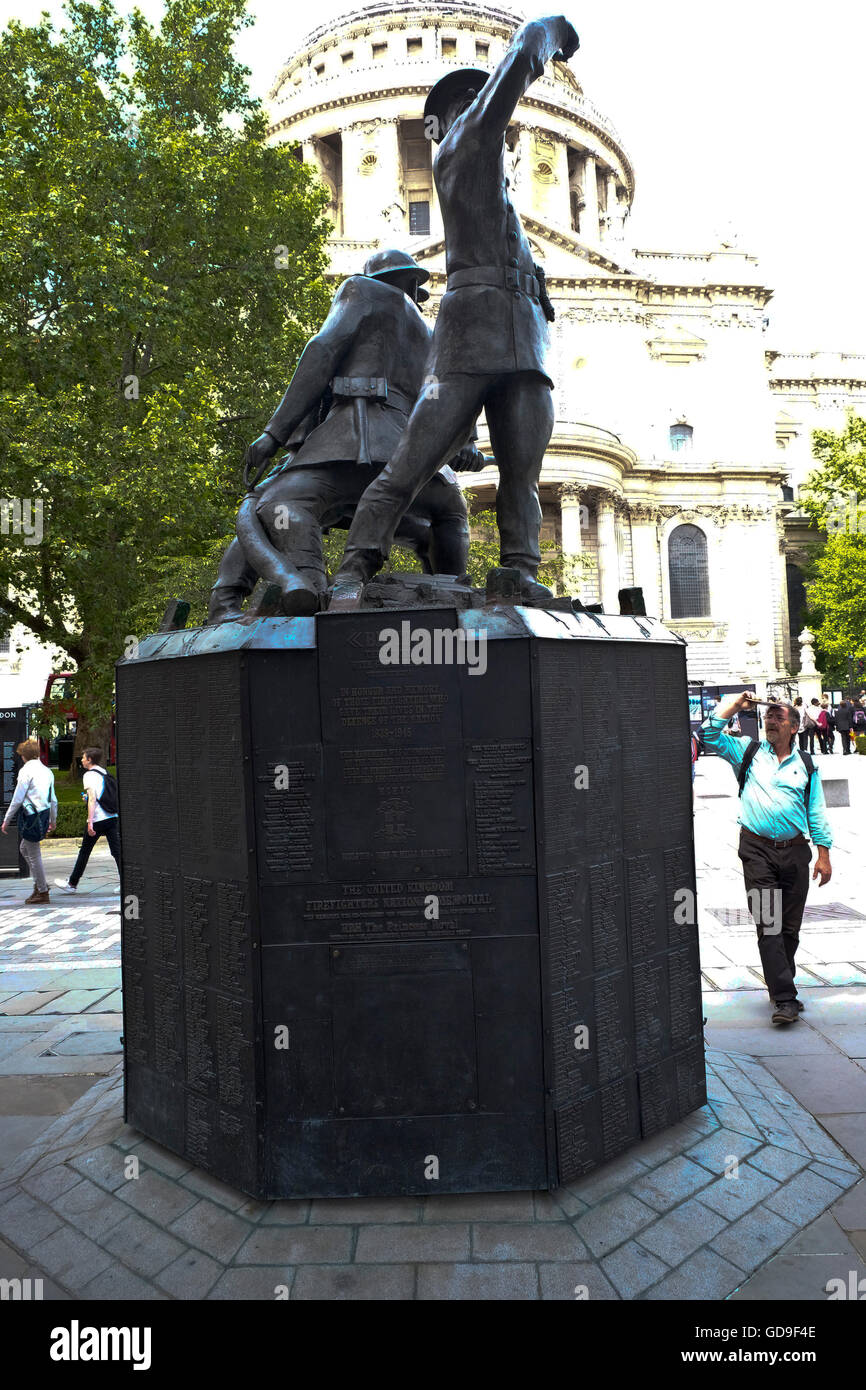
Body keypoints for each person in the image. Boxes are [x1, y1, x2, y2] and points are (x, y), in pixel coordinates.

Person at [330, 14, 581, 608]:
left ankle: (519, 571)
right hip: (470, 335)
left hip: (521, 340)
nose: (479, 106)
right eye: (465, 101)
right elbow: (514, 69)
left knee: (522, 473)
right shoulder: (461, 149)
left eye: (477, 95)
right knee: (412, 461)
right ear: (438, 127)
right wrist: (542, 35)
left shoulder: (505, 208)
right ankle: (353, 570)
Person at [220, 249, 475, 620]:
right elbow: (456, 399)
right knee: (448, 514)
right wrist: (465, 446)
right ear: (411, 282)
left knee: (275, 506)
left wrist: (273, 435)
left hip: (357, 446)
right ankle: (453, 594)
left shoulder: (362, 290)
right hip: (416, 466)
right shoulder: (437, 339)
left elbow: (321, 351)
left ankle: (301, 593)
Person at [702, 693, 832, 1026]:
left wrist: (823, 853)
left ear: (793, 727)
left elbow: (815, 810)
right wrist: (735, 706)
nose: (770, 721)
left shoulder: (805, 764)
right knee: (769, 923)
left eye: (778, 717)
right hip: (756, 850)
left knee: (789, 927)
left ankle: (778, 985)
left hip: (795, 851)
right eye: (768, 716)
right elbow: (708, 733)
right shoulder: (746, 751)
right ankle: (786, 999)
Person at [1, 738, 57, 904]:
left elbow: (17, 799)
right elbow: (53, 799)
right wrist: (53, 820)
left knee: (32, 853)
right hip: (44, 813)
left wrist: (6, 819)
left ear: (24, 756)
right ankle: (40, 884)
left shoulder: (26, 771)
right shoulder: (48, 771)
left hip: (31, 816)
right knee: (25, 848)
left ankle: (42, 890)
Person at [55, 748, 119, 893]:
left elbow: (92, 799)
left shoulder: (89, 775)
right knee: (117, 851)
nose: (82, 760)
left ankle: (72, 884)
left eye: (83, 758)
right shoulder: (103, 771)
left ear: (89, 759)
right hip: (112, 816)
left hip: (97, 819)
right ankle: (126, 881)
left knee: (84, 852)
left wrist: (90, 821)